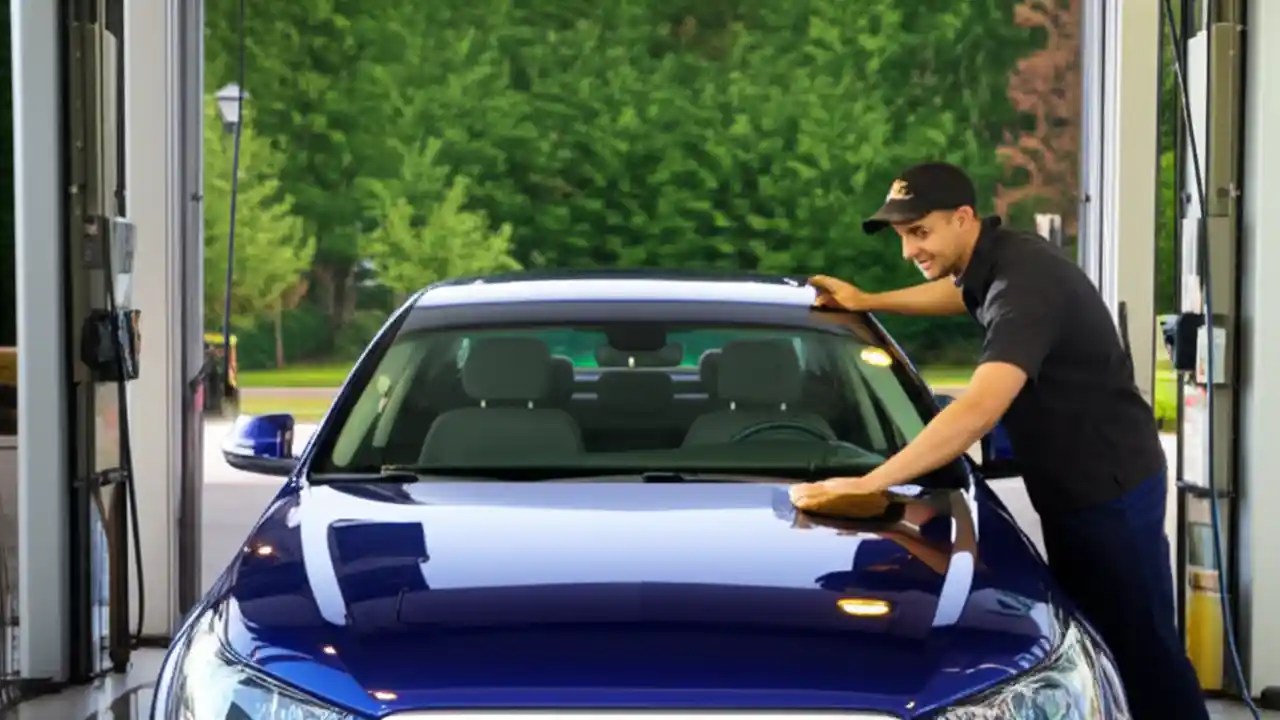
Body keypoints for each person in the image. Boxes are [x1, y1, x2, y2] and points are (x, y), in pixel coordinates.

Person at [788, 161, 1208, 719]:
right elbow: (963, 298)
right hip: (1074, 486)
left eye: (920, 232)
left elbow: (980, 408)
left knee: (1140, 647)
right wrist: (870, 301)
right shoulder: (998, 263)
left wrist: (872, 482)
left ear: (962, 219)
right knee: (1100, 639)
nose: (909, 250)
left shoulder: (1025, 286)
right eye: (902, 235)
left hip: (1111, 488)